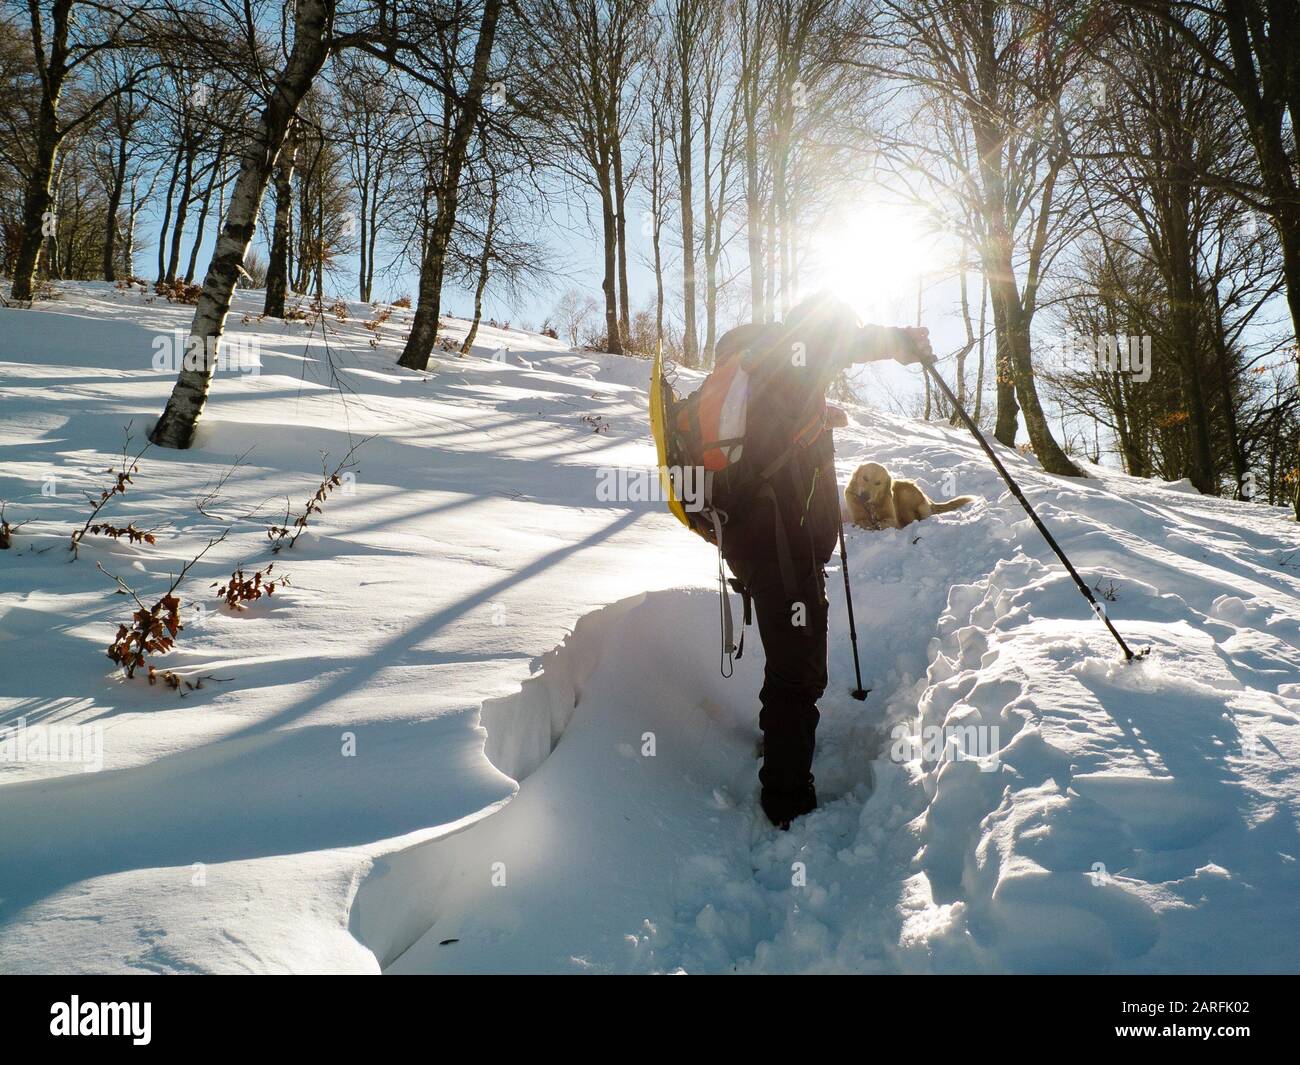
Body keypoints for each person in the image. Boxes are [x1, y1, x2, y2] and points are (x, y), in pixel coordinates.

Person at [712, 292, 934, 829]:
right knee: (799, 670)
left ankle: (778, 745)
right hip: (778, 544)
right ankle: (787, 801)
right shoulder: (801, 349)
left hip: (755, 538)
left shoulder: (772, 366)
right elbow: (843, 340)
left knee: (790, 657)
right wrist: (902, 342)